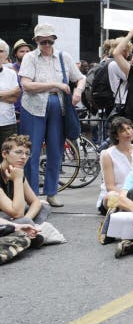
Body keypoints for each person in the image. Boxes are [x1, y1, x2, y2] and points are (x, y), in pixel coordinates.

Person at [19, 23, 85, 206]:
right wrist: (54, 85)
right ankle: (32, 196)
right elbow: (26, 85)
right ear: (37, 41)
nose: (46, 45)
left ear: (54, 40)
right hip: (33, 106)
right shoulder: (30, 58)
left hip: (59, 106)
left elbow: (80, 77)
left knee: (56, 151)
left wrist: (78, 91)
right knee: (31, 152)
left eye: (49, 41)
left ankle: (51, 192)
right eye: (42, 41)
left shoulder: (64, 57)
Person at [97, 117, 133, 215]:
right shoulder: (107, 154)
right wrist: (129, 197)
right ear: (116, 136)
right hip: (116, 196)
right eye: (123, 130)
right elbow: (110, 187)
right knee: (113, 195)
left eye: (129, 128)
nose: (128, 132)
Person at [0, 134, 50, 225]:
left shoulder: (16, 172)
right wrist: (17, 179)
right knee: (23, 218)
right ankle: (27, 232)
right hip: (2, 219)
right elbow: (18, 214)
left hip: (12, 217)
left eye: (27, 153)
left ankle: (28, 231)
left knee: (44, 206)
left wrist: (26, 221)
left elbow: (35, 202)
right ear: (4, 154)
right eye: (18, 152)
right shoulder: (16, 174)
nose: (23, 157)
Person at [0, 39, 20, 146]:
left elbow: (14, 98)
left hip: (7, 122)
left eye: (1, 51)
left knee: (8, 158)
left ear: (6, 54)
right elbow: (12, 93)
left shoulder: (11, 74)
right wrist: (10, 92)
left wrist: (12, 93)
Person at [107, 36, 131, 118]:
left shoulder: (115, 63)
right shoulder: (115, 64)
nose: (129, 53)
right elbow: (131, 77)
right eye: (128, 50)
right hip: (122, 101)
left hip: (123, 101)